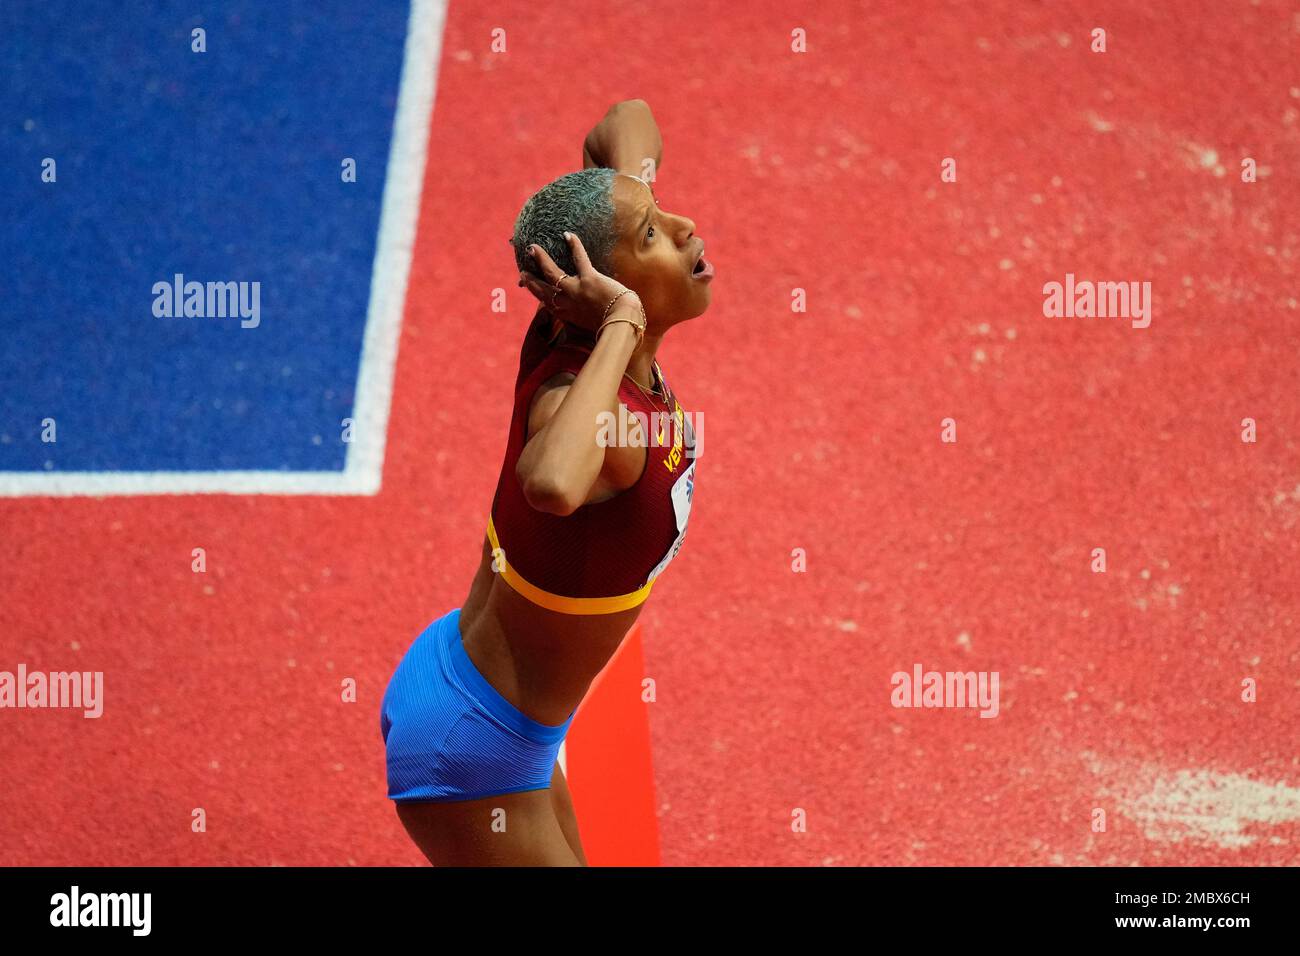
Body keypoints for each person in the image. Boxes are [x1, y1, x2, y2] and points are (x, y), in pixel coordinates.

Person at [381, 99, 713, 865]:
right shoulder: (595, 417)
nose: (686, 228)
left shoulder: (573, 330)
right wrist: (627, 314)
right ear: (607, 288)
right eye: (653, 237)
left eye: (661, 219)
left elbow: (625, 117)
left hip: (500, 712)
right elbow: (554, 484)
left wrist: (635, 198)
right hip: (475, 746)